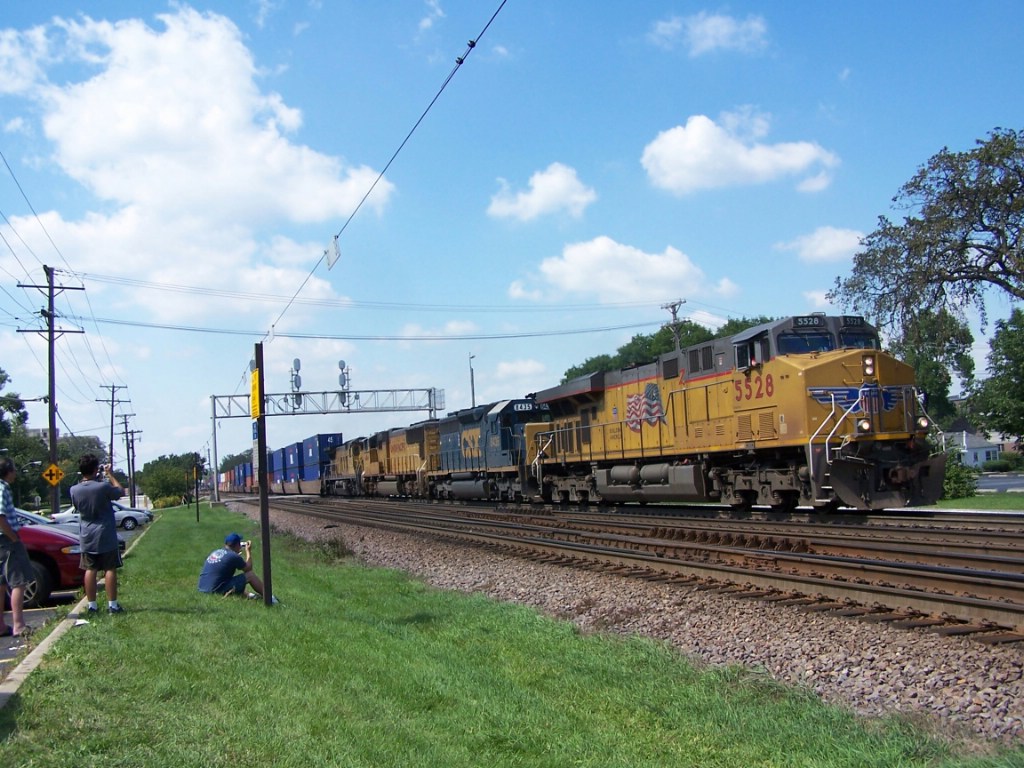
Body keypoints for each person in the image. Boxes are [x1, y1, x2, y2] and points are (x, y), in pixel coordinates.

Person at [69, 454, 125, 614]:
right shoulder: (103, 487)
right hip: (105, 533)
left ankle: (92, 605)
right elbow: (120, 491)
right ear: (95, 469)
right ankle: (112, 605)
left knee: (90, 569)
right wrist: (110, 474)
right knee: (110, 568)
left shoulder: (74, 489)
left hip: (87, 534)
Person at [0, 458, 32, 637]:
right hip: (6, 540)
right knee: (18, 582)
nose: (15, 473)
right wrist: (14, 538)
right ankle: (19, 625)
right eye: (14, 469)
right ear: (8, 471)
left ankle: (1, 626)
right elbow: (0, 516)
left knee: (2, 583)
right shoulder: (2, 488)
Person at [198, 532, 275, 602]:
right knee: (250, 575)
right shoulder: (233, 556)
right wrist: (248, 551)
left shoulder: (216, 552)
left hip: (203, 588)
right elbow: (248, 569)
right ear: (238, 545)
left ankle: (251, 596)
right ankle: (270, 598)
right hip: (215, 590)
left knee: (233, 580)